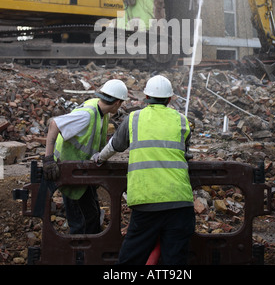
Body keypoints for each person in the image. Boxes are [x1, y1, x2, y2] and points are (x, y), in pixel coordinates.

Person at [92, 74, 195, 265]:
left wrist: (98, 159)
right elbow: (184, 152)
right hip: (180, 203)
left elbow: (114, 146)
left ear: (146, 98)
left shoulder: (134, 119)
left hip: (147, 202)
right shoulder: (182, 120)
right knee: (175, 262)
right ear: (170, 99)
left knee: (130, 260)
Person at [43, 78, 128, 235]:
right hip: (69, 172)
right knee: (80, 222)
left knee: (92, 215)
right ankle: (80, 256)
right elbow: (54, 124)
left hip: (82, 172)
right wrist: (48, 159)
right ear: (116, 103)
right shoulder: (87, 115)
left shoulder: (101, 111)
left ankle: (91, 251)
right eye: (121, 103)